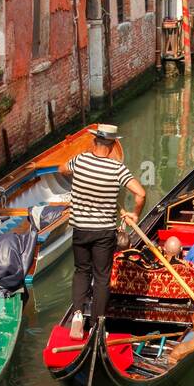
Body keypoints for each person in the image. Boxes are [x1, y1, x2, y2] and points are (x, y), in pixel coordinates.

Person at [57, 124, 146, 335]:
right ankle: (97, 324)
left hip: (80, 228)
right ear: (113, 144)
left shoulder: (80, 160)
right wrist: (134, 214)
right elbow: (140, 193)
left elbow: (61, 168)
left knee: (81, 271)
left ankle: (78, 314)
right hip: (104, 232)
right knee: (102, 277)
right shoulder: (117, 169)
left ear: (94, 142)